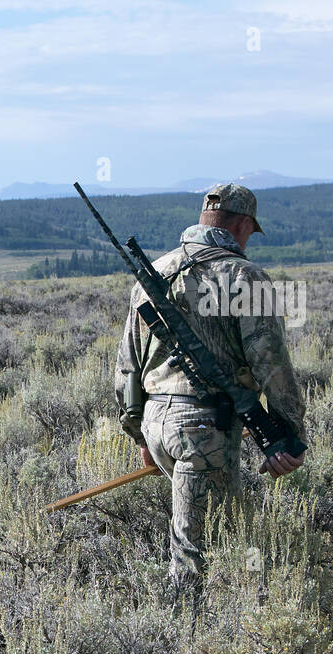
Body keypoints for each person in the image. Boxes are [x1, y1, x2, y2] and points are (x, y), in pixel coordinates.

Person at [114, 182, 307, 584]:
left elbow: (127, 369)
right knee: (196, 558)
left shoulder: (155, 274)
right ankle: (188, 638)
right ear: (241, 225)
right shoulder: (244, 276)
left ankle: (211, 629)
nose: (249, 241)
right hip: (204, 432)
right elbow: (271, 365)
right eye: (251, 233)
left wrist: (139, 437)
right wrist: (287, 437)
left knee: (213, 535)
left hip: (156, 426)